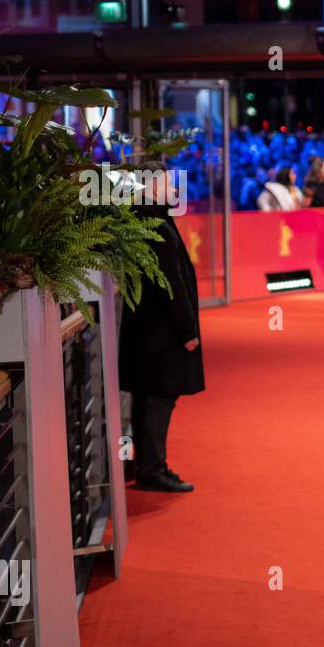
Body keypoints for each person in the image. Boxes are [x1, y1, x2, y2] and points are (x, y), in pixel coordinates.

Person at [118, 163, 205, 492]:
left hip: (145, 331)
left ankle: (146, 466)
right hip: (161, 333)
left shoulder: (139, 219)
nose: (174, 189)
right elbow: (173, 285)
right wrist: (188, 331)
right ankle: (153, 469)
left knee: (147, 397)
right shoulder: (157, 226)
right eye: (169, 183)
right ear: (152, 186)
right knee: (160, 398)